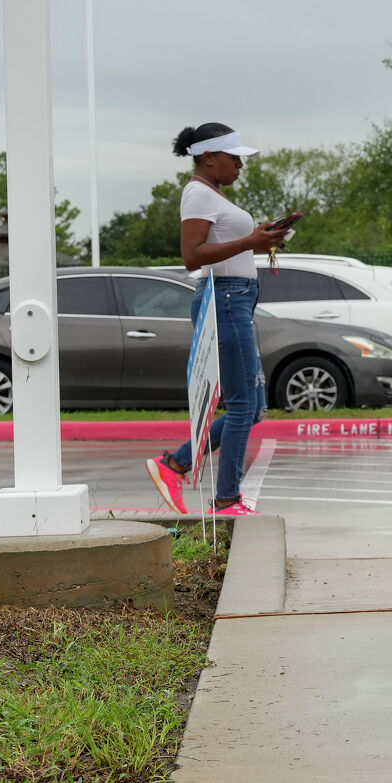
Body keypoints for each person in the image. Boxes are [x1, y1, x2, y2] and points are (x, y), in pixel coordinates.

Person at [144, 122, 292, 517]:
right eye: (234, 157)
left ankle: (174, 464)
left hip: (237, 300)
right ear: (208, 157)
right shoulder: (197, 194)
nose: (240, 164)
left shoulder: (212, 195)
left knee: (255, 406)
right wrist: (250, 242)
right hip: (225, 299)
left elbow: (226, 247)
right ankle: (226, 500)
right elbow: (191, 256)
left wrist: (259, 238)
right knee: (243, 405)